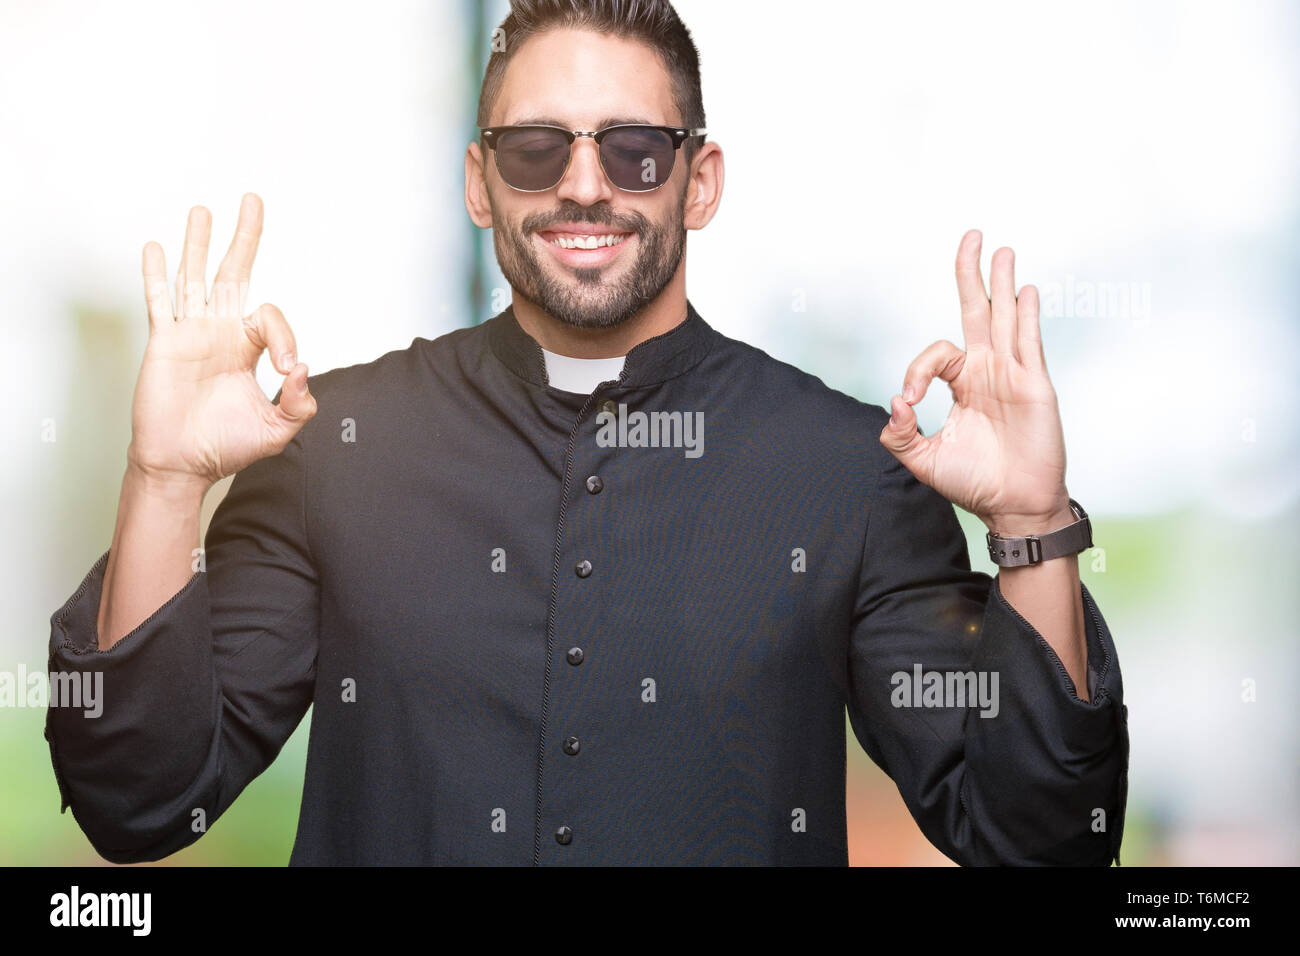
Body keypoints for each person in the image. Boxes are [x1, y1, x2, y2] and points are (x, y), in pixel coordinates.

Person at [45, 0, 1128, 866]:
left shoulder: (848, 472)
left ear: (698, 182)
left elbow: (1032, 836)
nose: (581, 183)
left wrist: (1032, 525)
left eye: (634, 150)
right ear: (479, 181)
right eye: (533, 148)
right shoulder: (334, 447)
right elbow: (142, 805)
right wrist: (162, 480)